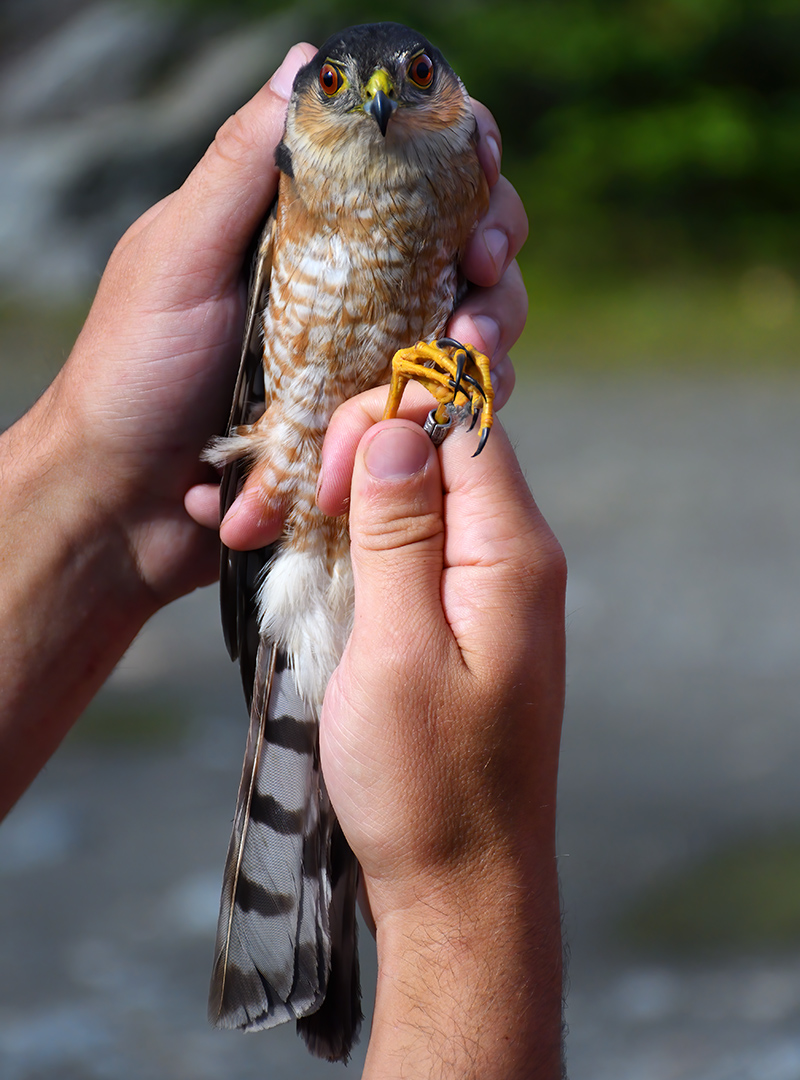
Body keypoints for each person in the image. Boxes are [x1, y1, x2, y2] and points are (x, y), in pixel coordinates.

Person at [0, 42, 566, 1078]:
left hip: (335, 499)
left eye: (412, 77)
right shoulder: (288, 185)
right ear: (298, 108)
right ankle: (343, 947)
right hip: (300, 517)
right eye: (338, 87)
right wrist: (462, 893)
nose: (382, 100)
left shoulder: (453, 167)